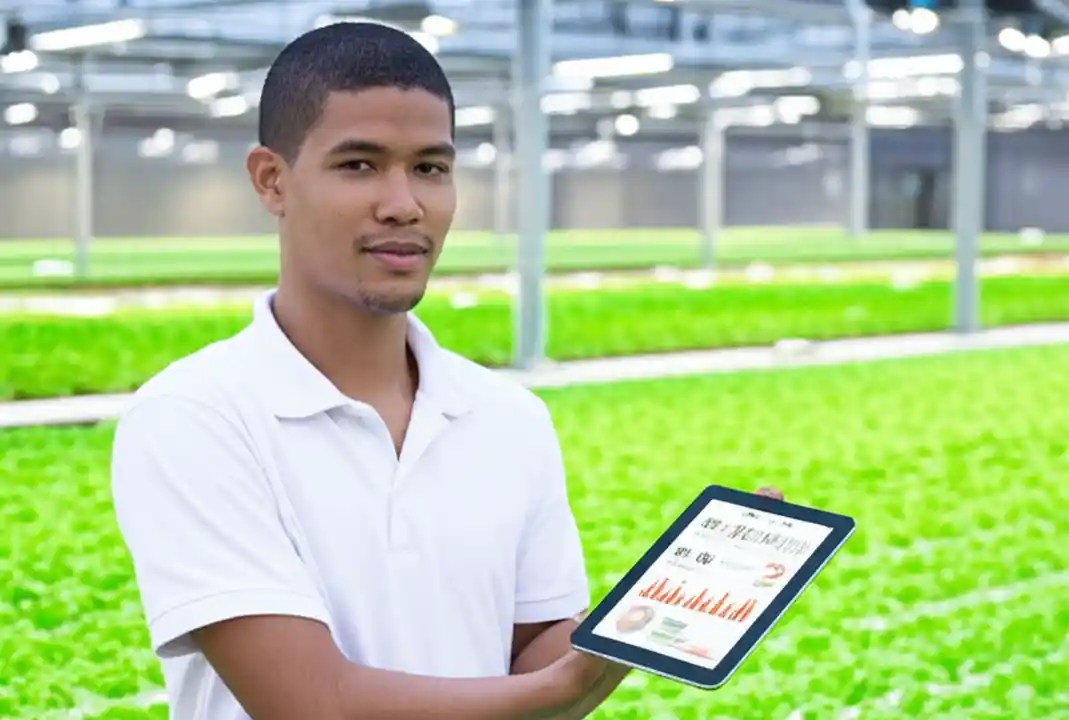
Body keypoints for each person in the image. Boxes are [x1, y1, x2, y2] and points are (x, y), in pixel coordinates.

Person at [110, 21, 782, 720]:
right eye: (359, 165)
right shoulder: (196, 417)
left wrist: (646, 613)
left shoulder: (506, 417)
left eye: (430, 167)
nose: (404, 204)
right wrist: (563, 688)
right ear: (272, 181)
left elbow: (529, 652)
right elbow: (312, 705)